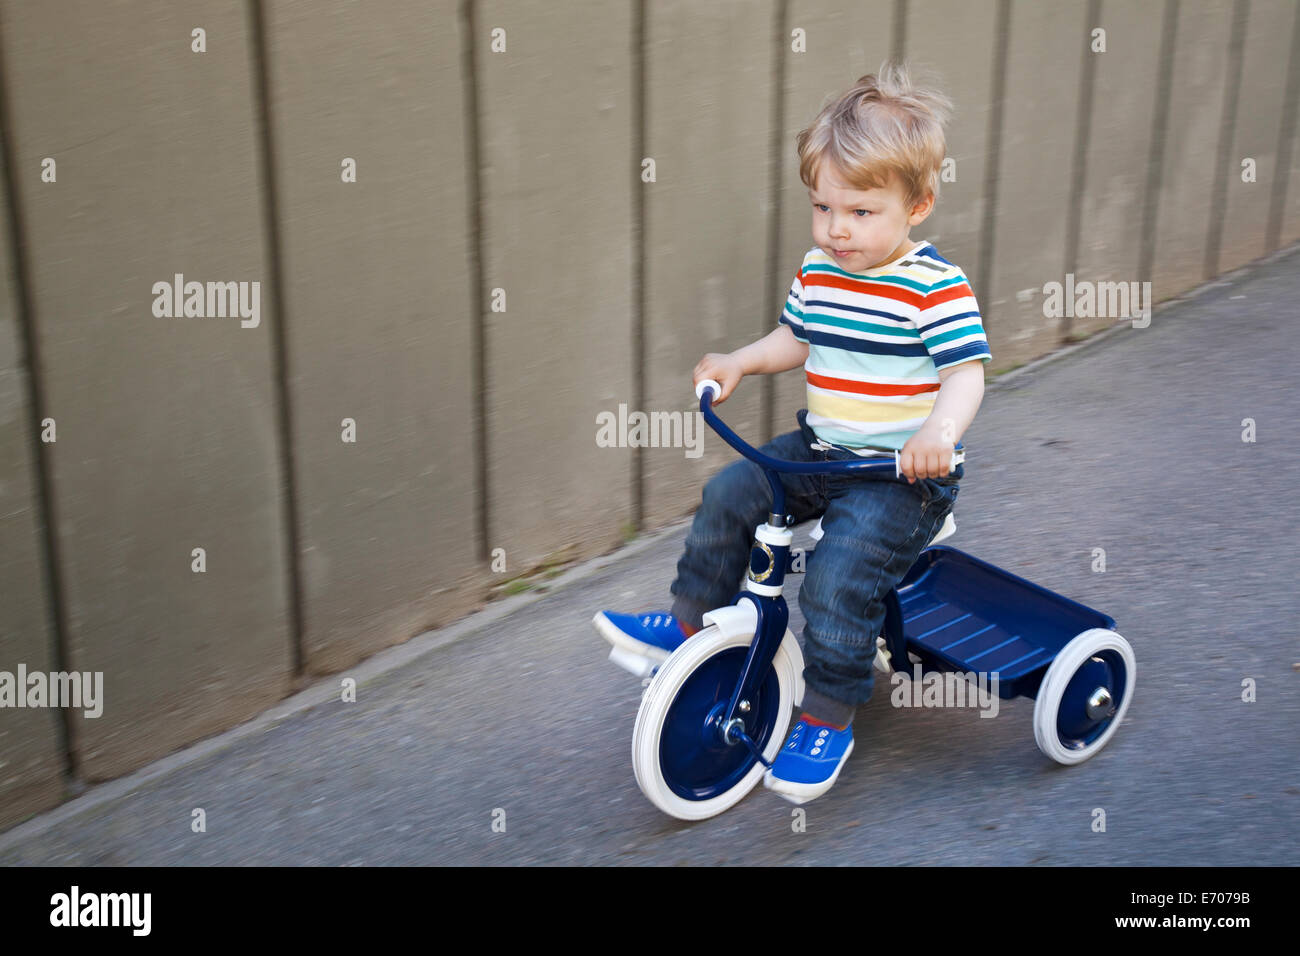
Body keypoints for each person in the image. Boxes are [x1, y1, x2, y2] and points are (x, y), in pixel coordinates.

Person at [595, 62, 992, 804]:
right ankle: (687, 626)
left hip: (900, 476)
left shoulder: (934, 286)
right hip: (823, 451)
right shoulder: (822, 269)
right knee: (731, 494)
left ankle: (827, 713)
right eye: (823, 207)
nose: (838, 228)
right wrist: (741, 361)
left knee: (840, 578)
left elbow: (966, 372)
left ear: (919, 205)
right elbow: (796, 338)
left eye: (862, 212)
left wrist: (938, 431)